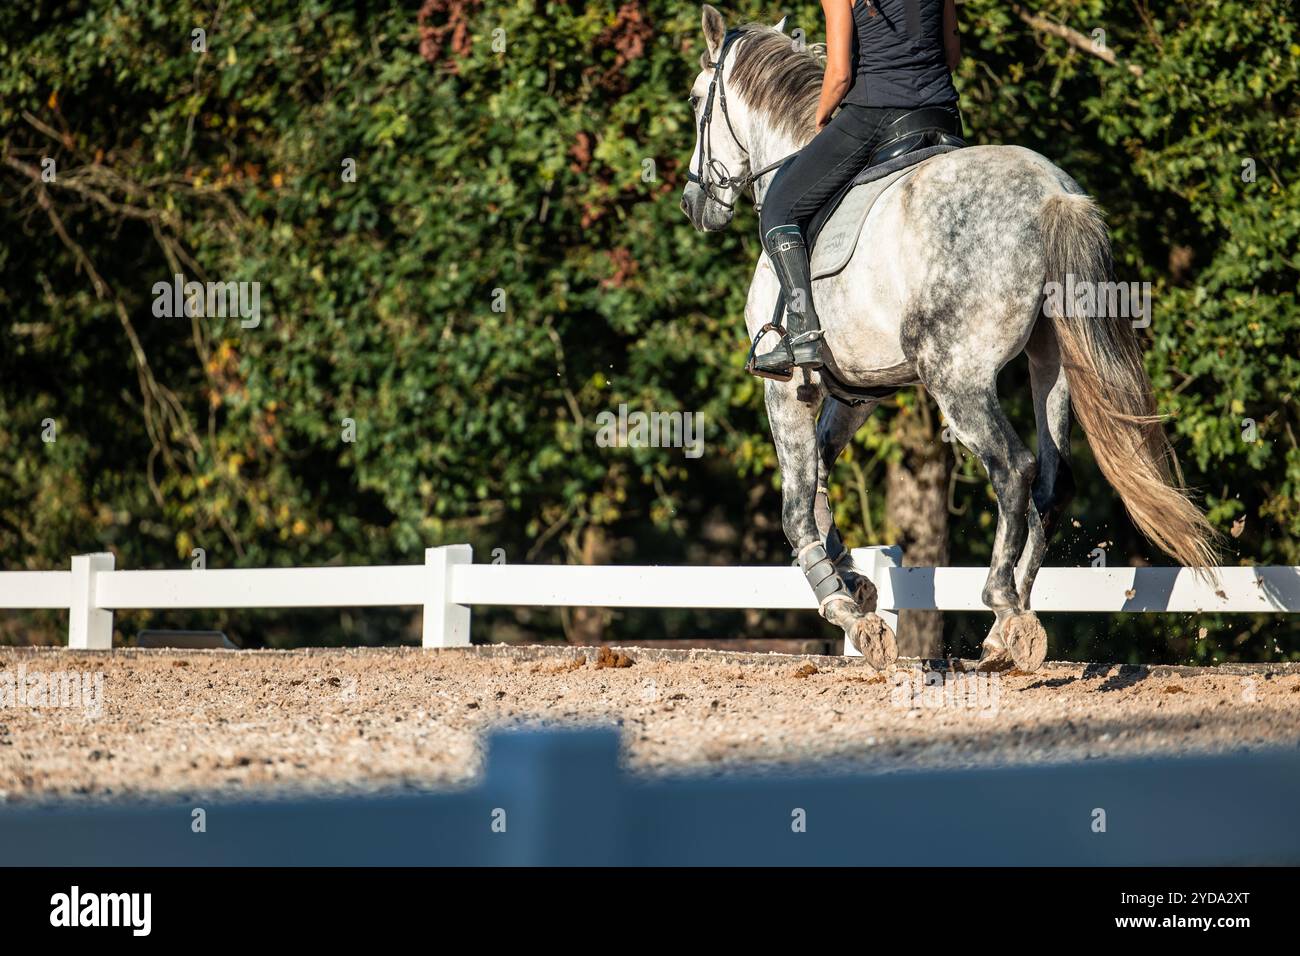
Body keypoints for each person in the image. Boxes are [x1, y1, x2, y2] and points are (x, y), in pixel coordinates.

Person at [751, 0, 962, 377]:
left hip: (876, 112)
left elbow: (839, 75)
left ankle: (802, 333)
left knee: (779, 207)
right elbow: (953, 54)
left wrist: (820, 118)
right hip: (941, 112)